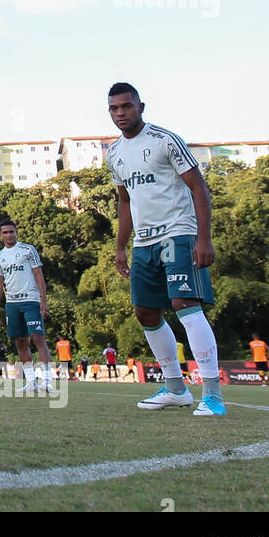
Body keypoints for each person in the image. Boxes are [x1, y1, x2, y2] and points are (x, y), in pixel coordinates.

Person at [107, 82, 225, 416]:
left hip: (177, 234)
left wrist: (203, 238)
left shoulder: (165, 140)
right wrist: (120, 247)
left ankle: (213, 395)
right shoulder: (113, 154)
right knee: (145, 312)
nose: (120, 113)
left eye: (126, 106)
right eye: (114, 108)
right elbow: (125, 201)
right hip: (144, 243)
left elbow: (198, 187)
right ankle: (175, 389)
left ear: (140, 107)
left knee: (184, 304)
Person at [0, 220, 54, 395]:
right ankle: (31, 381)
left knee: (38, 338)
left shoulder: (28, 250)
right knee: (20, 341)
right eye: (5, 232)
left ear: (16, 232)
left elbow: (38, 274)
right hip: (12, 303)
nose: (8, 235)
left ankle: (47, 381)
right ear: (0, 235)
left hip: (31, 300)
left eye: (11, 231)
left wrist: (43, 300)